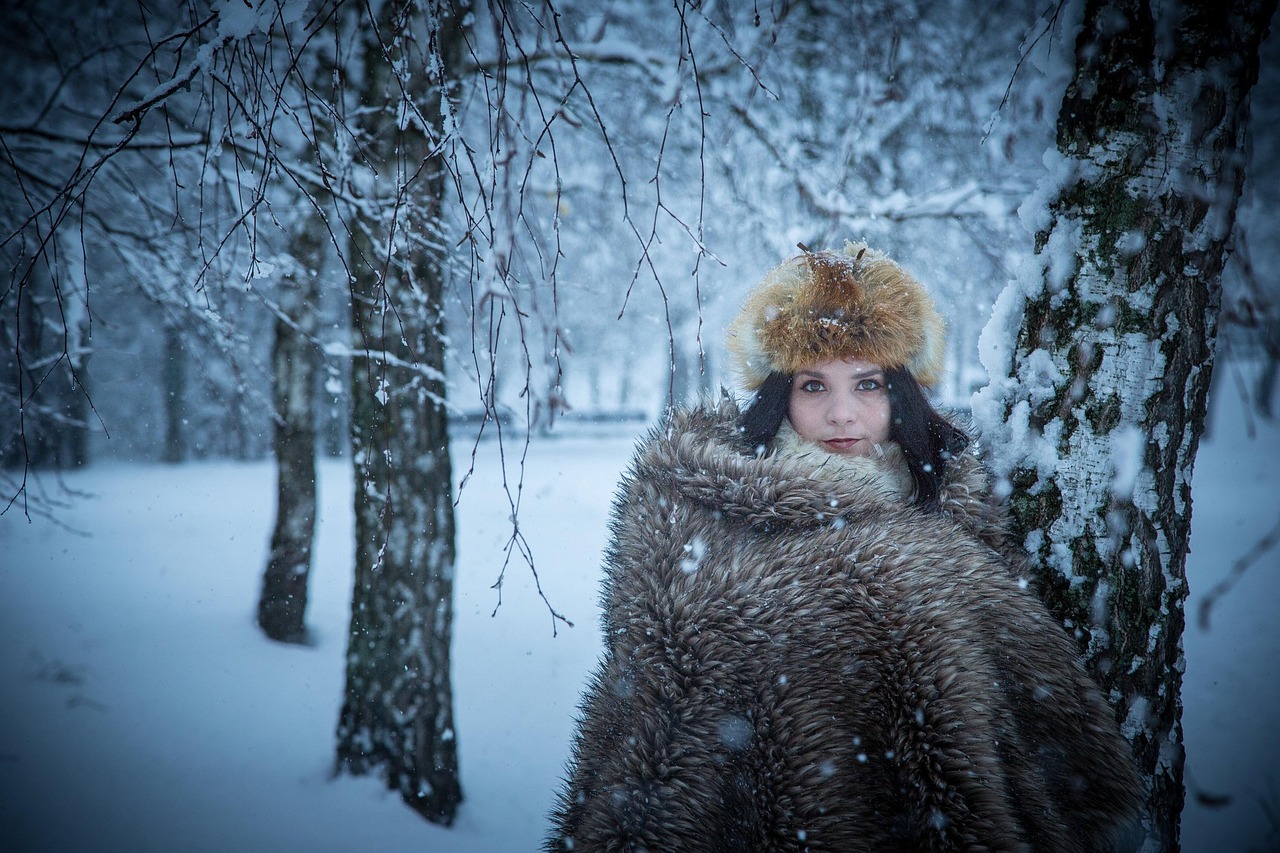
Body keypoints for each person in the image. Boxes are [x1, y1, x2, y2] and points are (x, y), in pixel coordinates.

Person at [546, 243, 1143, 852]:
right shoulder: (697, 514)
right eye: (813, 385)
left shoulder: (961, 508)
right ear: (780, 396)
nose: (841, 413)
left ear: (900, 393)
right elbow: (667, 698)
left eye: (867, 382)